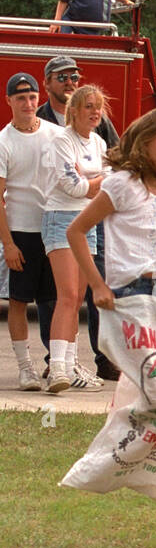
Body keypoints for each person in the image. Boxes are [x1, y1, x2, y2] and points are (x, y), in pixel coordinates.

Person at [67, 106, 156, 318]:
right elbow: (76, 231)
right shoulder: (123, 185)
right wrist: (97, 285)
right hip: (131, 291)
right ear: (144, 143)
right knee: (136, 352)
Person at [38, 55, 119, 381]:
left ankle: (71, 365)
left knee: (81, 297)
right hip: (61, 220)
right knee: (68, 295)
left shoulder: (99, 142)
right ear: (74, 111)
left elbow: (107, 184)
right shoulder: (60, 140)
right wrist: (97, 182)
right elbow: (74, 188)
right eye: (88, 106)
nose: (94, 112)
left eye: (98, 107)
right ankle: (57, 367)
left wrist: (93, 183)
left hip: (89, 226)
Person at [0, 73, 58, 393]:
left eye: (33, 96)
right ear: (9, 101)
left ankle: (62, 363)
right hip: (21, 232)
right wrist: (8, 243)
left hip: (54, 229)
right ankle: (25, 368)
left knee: (59, 300)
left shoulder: (56, 134)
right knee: (19, 301)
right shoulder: (3, 142)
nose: (28, 103)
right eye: (20, 97)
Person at [50, 0, 133, 34]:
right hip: (73, 23)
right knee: (62, 48)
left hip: (94, 27)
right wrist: (56, 22)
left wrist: (126, 1)